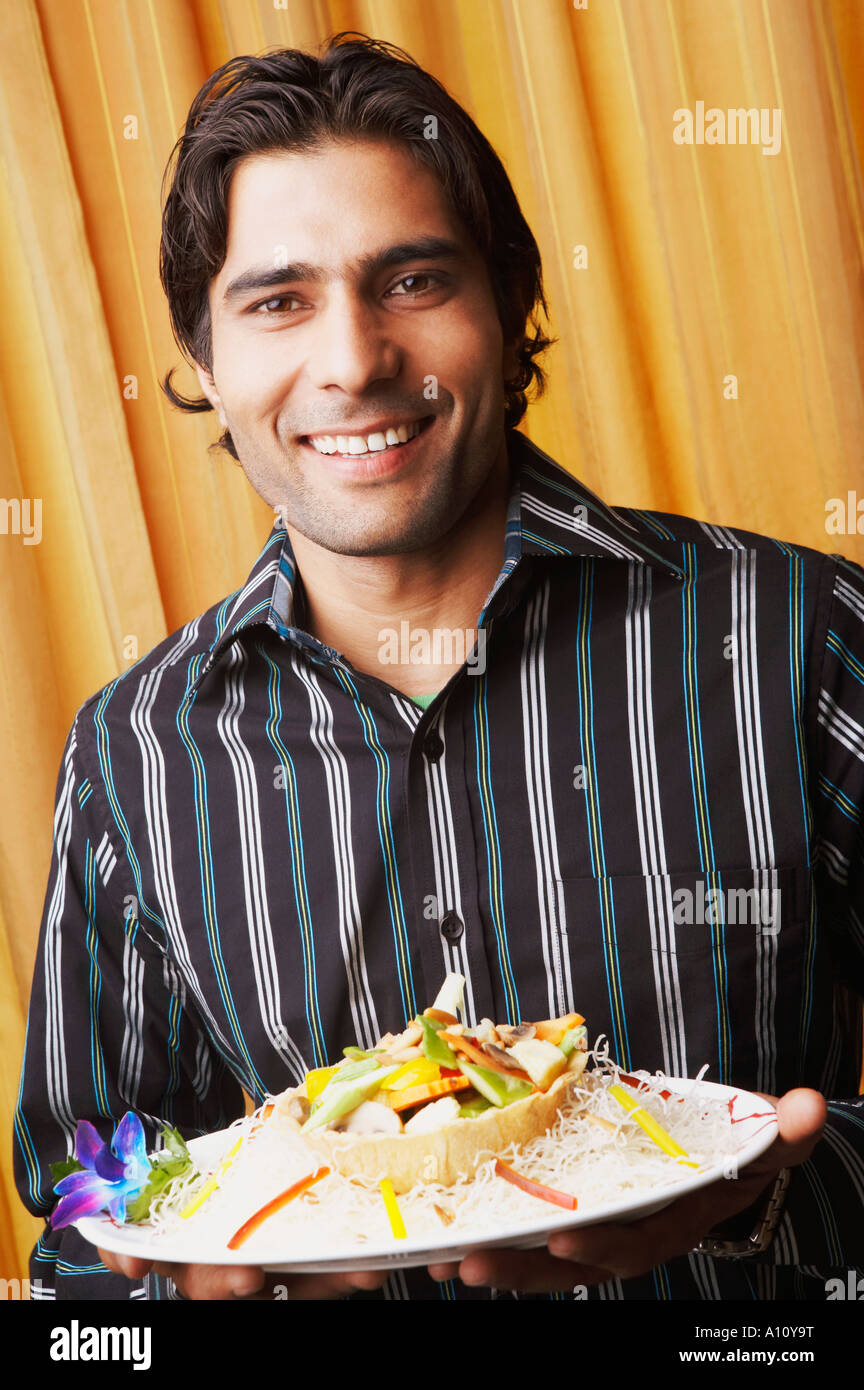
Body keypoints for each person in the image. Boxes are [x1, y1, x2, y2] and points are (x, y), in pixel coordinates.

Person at [14, 32, 861, 1303]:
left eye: (411, 279)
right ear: (204, 357)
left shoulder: (800, 636)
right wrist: (173, 1293)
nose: (353, 361)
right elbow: (84, 1214)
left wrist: (773, 1196)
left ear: (511, 302)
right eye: (278, 300)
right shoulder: (137, 752)